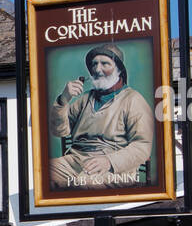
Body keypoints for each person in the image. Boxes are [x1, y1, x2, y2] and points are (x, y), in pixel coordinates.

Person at [49, 43, 154, 189]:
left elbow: (142, 146)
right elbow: (59, 131)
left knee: (83, 184)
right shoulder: (85, 99)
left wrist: (109, 161)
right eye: (94, 64)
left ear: (119, 69)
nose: (97, 69)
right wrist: (63, 99)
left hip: (115, 169)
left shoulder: (133, 100)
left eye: (105, 64)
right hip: (76, 160)